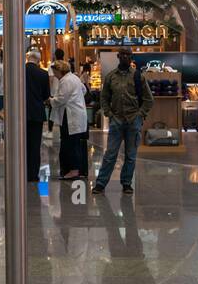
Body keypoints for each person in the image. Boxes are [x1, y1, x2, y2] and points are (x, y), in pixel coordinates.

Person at [94, 47, 153, 195]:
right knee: (110, 155)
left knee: (131, 155)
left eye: (128, 55)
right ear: (118, 56)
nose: (125, 57)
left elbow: (148, 99)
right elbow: (104, 98)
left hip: (133, 120)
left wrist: (140, 115)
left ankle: (127, 183)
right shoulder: (110, 77)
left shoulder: (138, 76)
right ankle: (100, 184)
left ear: (131, 57)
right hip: (117, 121)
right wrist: (109, 114)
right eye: (123, 54)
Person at [49, 60, 89, 180]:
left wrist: (50, 100)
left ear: (59, 70)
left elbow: (61, 99)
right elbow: (84, 90)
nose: (54, 74)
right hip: (78, 113)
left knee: (70, 142)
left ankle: (73, 170)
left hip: (71, 115)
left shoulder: (65, 80)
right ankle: (75, 169)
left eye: (55, 71)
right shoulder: (74, 77)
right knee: (74, 142)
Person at [24, 50, 51, 182]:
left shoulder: (19, 71)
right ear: (39, 60)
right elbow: (46, 95)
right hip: (37, 113)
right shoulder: (43, 74)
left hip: (21, 113)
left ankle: (21, 171)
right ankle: (32, 174)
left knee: (22, 143)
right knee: (35, 145)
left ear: (27, 58)